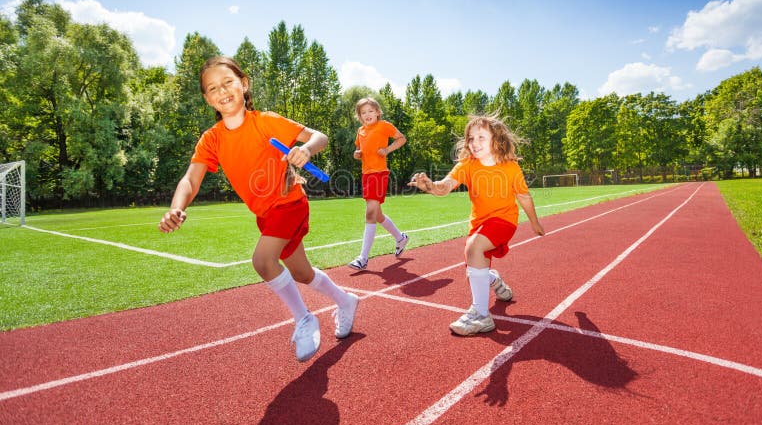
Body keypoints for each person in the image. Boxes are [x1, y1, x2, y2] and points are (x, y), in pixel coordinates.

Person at [158, 56, 358, 362]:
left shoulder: (266, 121)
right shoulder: (211, 139)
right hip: (265, 215)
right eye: (212, 88)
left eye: (227, 82)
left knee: (263, 262)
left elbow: (321, 137)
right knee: (302, 273)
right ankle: (345, 301)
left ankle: (304, 318)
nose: (222, 90)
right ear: (207, 98)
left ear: (244, 84)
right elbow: (191, 178)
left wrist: (305, 149)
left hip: (289, 204)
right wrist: (176, 207)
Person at [408, 114, 546, 336]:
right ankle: (494, 279)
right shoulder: (467, 165)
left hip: (504, 221)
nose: (475, 142)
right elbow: (444, 187)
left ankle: (481, 315)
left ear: (496, 140)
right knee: (474, 273)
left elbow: (524, 197)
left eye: (481, 137)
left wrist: (535, 222)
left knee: (473, 248)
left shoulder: (510, 168)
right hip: (479, 224)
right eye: (471, 138)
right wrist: (430, 186)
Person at [348, 97, 410, 270]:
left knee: (369, 214)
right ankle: (400, 238)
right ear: (359, 116)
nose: (367, 115)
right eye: (363, 112)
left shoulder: (384, 126)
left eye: (370, 111)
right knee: (377, 215)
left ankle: (363, 258)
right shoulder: (360, 131)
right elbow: (360, 149)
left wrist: (387, 150)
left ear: (377, 112)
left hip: (379, 174)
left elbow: (401, 138)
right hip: (366, 175)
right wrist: (357, 153)